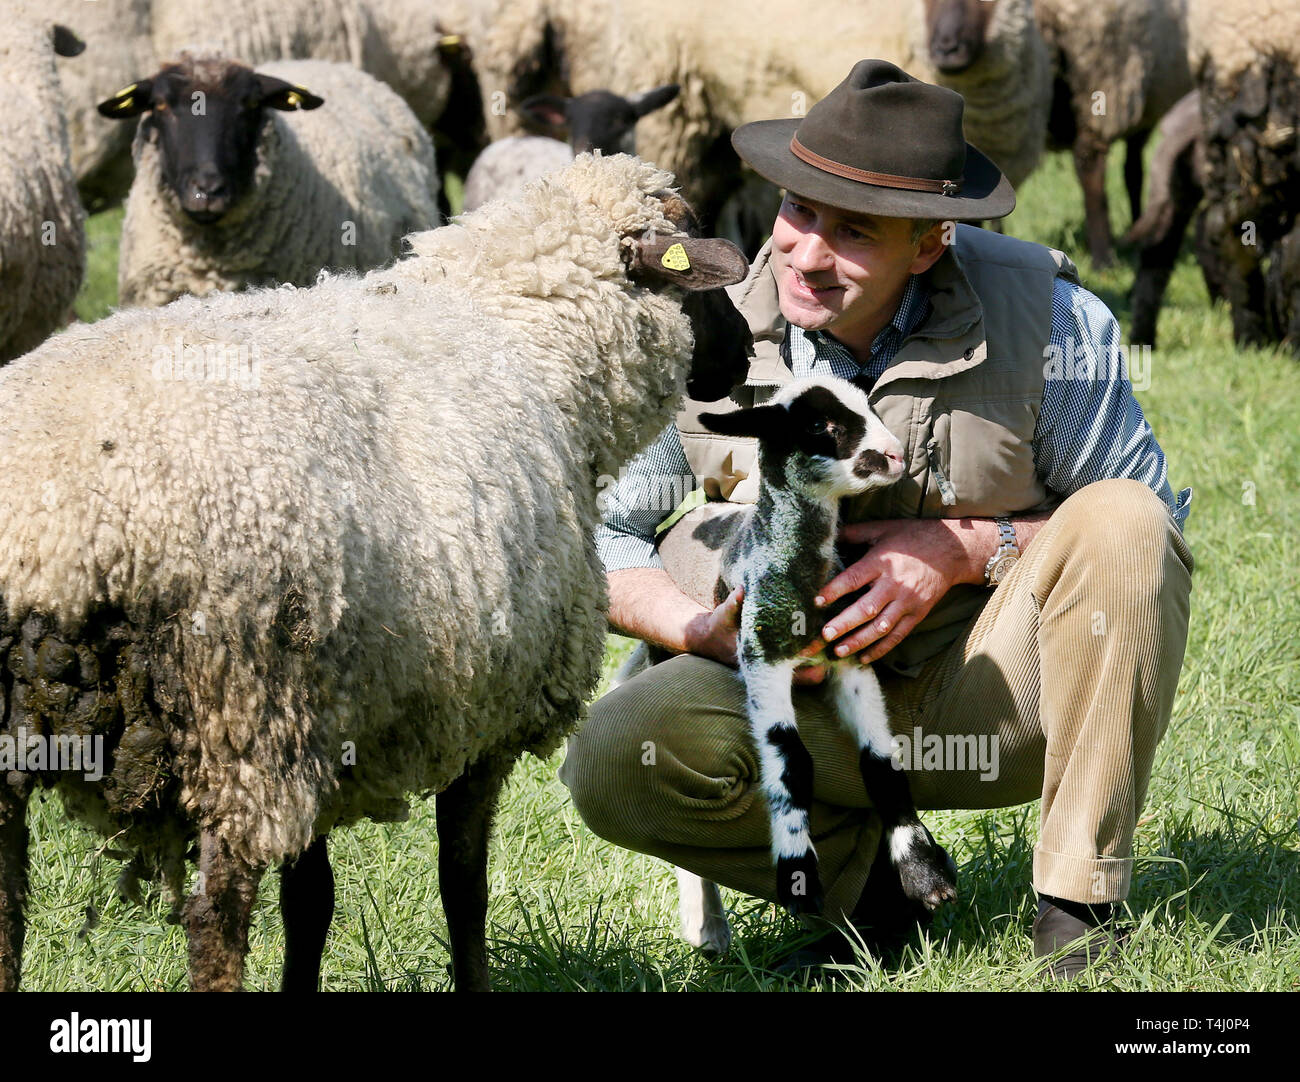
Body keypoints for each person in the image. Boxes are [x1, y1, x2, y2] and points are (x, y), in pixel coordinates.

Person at [559, 59, 1194, 978]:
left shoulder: (1048, 321)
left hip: (996, 694)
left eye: (854, 232)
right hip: (809, 705)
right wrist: (698, 627)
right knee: (616, 755)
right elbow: (604, 534)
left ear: (931, 242)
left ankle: (1078, 911)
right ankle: (874, 898)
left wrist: (965, 546)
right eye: (798, 212)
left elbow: (1155, 532)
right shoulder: (704, 329)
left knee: (1125, 518)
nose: (807, 253)